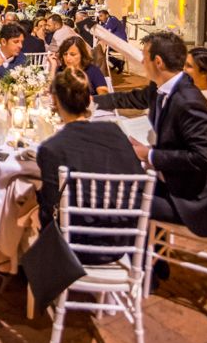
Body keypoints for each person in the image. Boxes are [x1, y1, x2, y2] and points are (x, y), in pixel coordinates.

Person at [94, 31, 207, 237]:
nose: (142, 61)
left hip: (195, 201)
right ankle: (152, 262)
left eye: (144, 56)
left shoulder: (189, 101)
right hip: (173, 181)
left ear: (157, 62)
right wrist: (89, 101)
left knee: (113, 196)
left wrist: (148, 154)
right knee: (118, 180)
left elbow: (206, 157)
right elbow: (133, 99)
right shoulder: (163, 87)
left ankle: (138, 263)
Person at [36, 68, 145, 264]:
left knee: (27, 213)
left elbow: (49, 211)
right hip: (123, 239)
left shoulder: (51, 149)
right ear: (89, 101)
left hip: (75, 246)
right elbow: (138, 183)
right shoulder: (114, 131)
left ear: (55, 101)